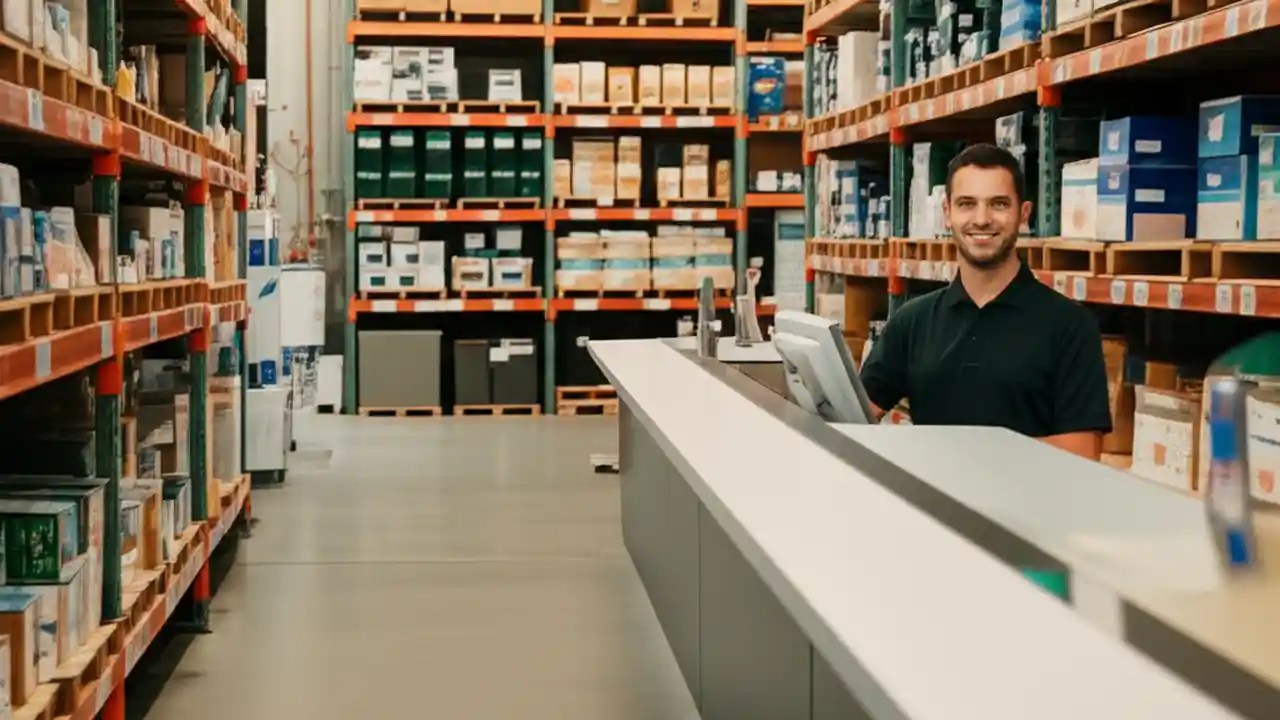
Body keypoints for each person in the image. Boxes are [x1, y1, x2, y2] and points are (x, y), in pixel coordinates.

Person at [859, 143, 1112, 460]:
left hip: (1028, 507)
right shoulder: (912, 322)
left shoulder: (1069, 326)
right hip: (932, 506)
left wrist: (961, 453)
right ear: (947, 213)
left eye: (999, 204)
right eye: (967, 204)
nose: (982, 219)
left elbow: (1083, 452)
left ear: (1023, 214)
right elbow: (855, 414)